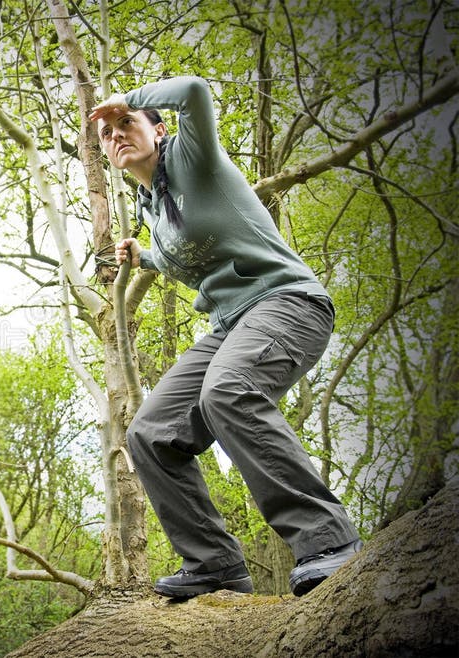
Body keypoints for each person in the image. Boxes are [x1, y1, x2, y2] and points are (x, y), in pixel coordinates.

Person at [88, 76, 361, 598]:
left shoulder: (193, 160)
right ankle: (213, 564)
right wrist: (143, 255)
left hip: (288, 304)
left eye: (127, 124)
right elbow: (186, 256)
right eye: (107, 134)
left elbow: (192, 89)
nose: (117, 134)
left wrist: (129, 99)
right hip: (231, 323)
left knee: (227, 391)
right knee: (150, 432)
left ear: (159, 129)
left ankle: (329, 541)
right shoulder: (153, 206)